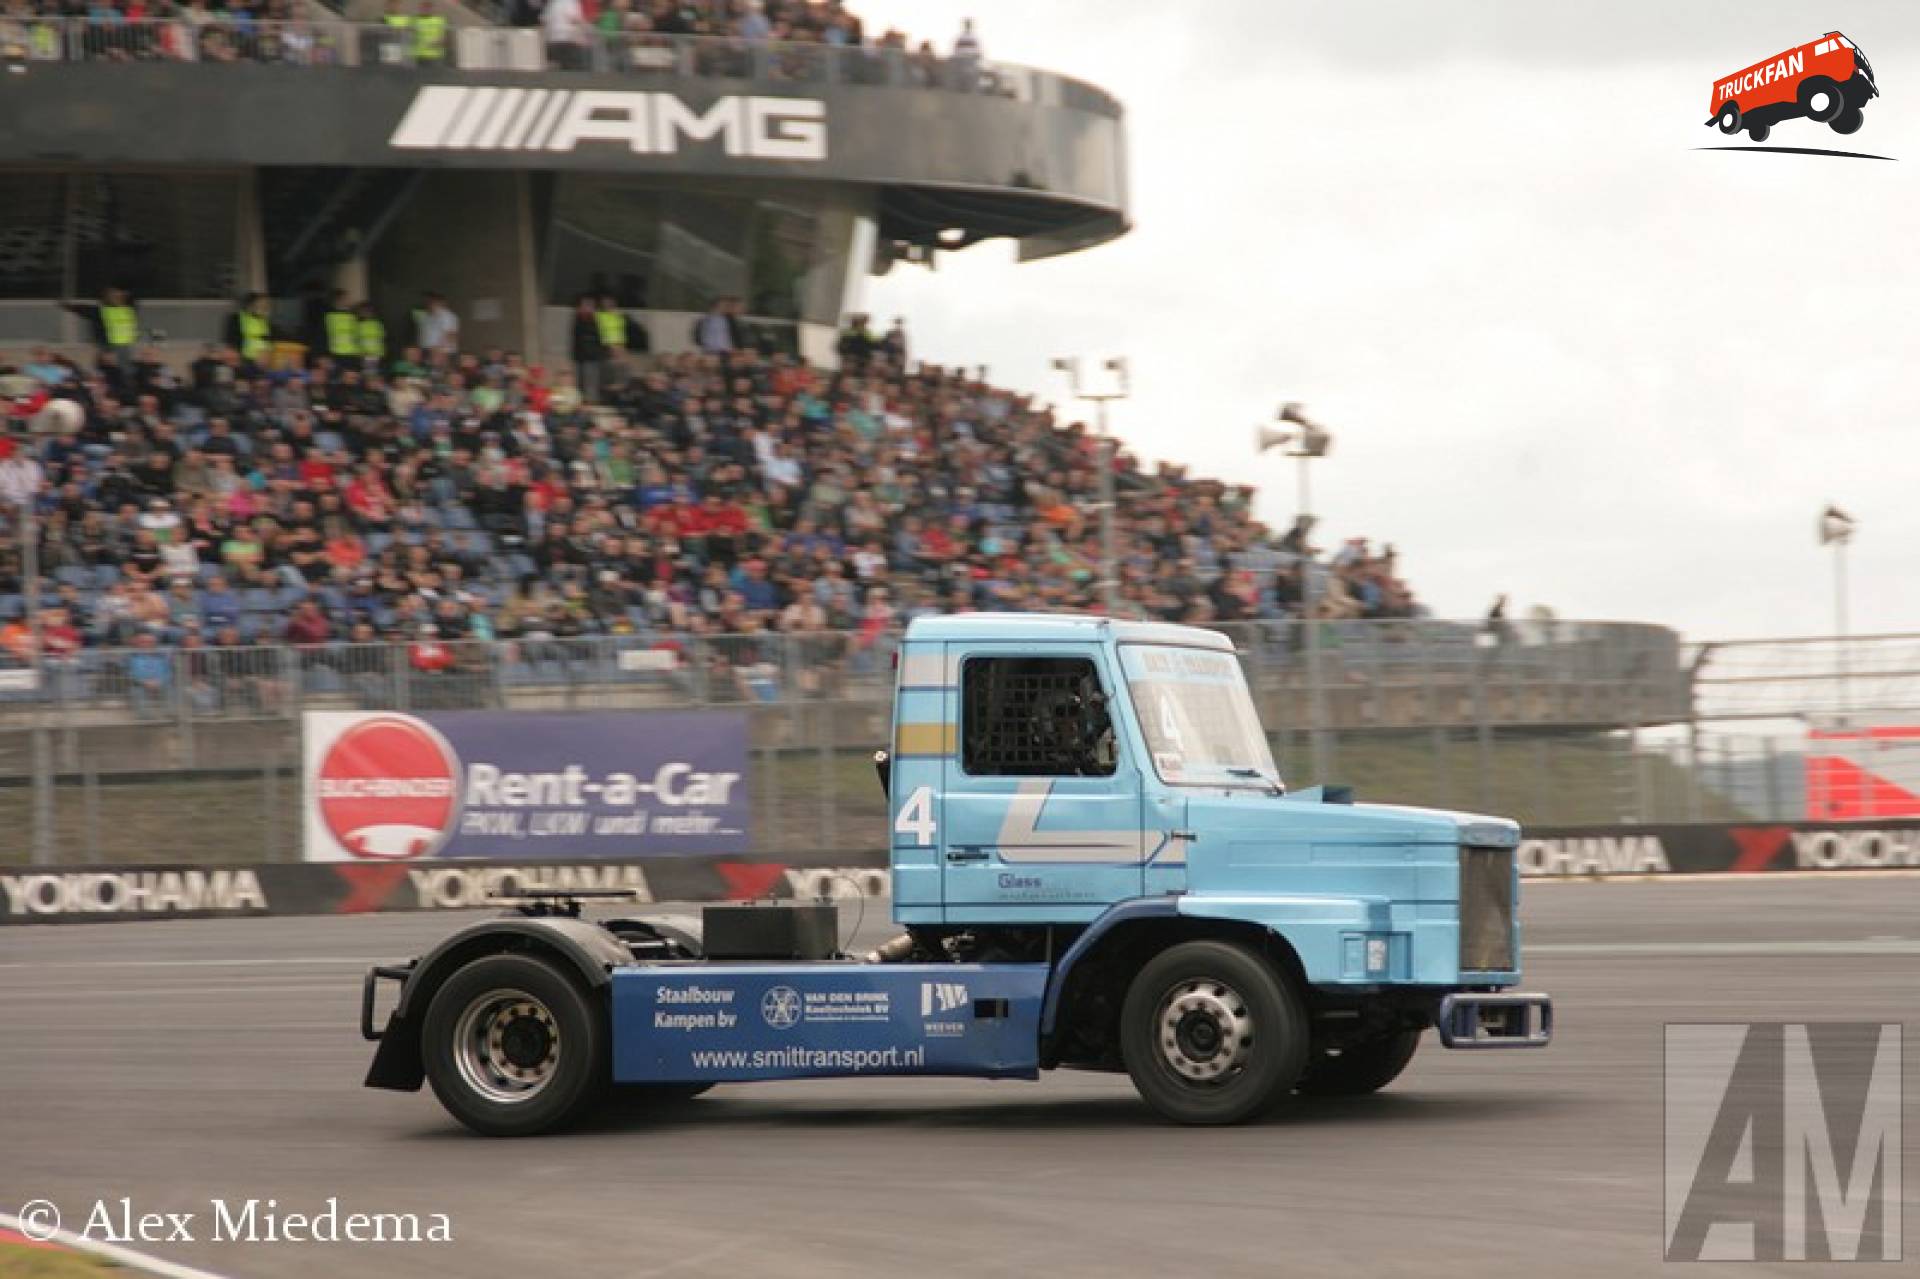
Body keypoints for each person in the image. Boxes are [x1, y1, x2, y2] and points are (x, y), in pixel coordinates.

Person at [66, 287, 141, 361]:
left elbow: (132, 300)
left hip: (122, 344)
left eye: (118, 296)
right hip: (106, 344)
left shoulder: (128, 310)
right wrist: (69, 306)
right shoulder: (101, 311)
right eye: (114, 296)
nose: (116, 298)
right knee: (107, 362)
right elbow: (83, 309)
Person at [226, 292, 274, 367]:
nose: (265, 307)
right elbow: (230, 341)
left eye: (266, 305)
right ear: (250, 305)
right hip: (244, 361)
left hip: (264, 361)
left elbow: (270, 339)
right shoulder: (236, 319)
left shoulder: (264, 321)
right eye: (261, 304)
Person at [542, 0, 589, 71]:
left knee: (556, 69)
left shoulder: (552, 3)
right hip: (569, 40)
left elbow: (544, 21)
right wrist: (586, 31)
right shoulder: (571, 2)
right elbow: (574, 20)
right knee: (573, 71)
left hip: (552, 40)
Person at [322, 289, 360, 361]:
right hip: (335, 355)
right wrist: (325, 354)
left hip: (352, 354)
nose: (349, 300)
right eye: (346, 298)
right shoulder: (329, 316)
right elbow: (323, 335)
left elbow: (356, 335)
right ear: (338, 300)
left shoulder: (353, 316)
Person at [411, 0, 447, 64]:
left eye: (427, 7)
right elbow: (410, 36)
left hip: (435, 56)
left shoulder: (439, 20)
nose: (425, 9)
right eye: (423, 7)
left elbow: (444, 39)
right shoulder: (414, 20)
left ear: (431, 8)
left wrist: (436, 42)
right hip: (419, 55)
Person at [355, 301, 387, 366]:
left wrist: (382, 353)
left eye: (368, 310)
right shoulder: (357, 325)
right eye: (364, 311)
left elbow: (382, 339)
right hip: (364, 356)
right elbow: (355, 340)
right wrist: (361, 353)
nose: (366, 313)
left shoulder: (378, 324)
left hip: (378, 356)